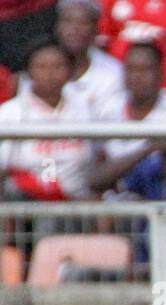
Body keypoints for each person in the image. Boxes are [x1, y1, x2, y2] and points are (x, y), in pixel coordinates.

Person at [88, 41, 166, 195]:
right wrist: (148, 148)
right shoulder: (108, 108)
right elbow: (95, 180)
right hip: (113, 200)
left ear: (160, 73)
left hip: (155, 202)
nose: (137, 77)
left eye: (145, 70)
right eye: (132, 69)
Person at [0, 41, 95, 201]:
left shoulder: (84, 108)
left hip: (77, 198)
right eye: (41, 66)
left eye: (58, 66)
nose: (50, 73)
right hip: (24, 198)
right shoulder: (9, 113)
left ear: (70, 71)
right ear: (29, 72)